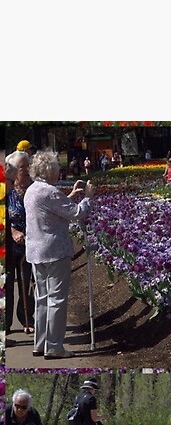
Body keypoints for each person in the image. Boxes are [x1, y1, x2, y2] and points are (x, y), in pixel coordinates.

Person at [24, 149, 93, 359]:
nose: (59, 171)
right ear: (50, 170)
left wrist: (70, 196)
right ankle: (54, 347)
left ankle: (41, 343)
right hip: (55, 251)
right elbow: (77, 213)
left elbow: (52, 209)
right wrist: (88, 197)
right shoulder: (50, 192)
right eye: (56, 168)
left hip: (36, 251)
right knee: (57, 299)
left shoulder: (32, 190)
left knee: (42, 298)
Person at [5, 153, 34, 337]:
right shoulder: (7, 192)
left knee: (26, 283)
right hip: (8, 246)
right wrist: (13, 231)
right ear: (14, 171)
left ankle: (27, 320)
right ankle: (6, 325)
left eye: (28, 165)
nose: (27, 170)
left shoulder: (33, 189)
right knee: (7, 284)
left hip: (28, 245)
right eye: (23, 167)